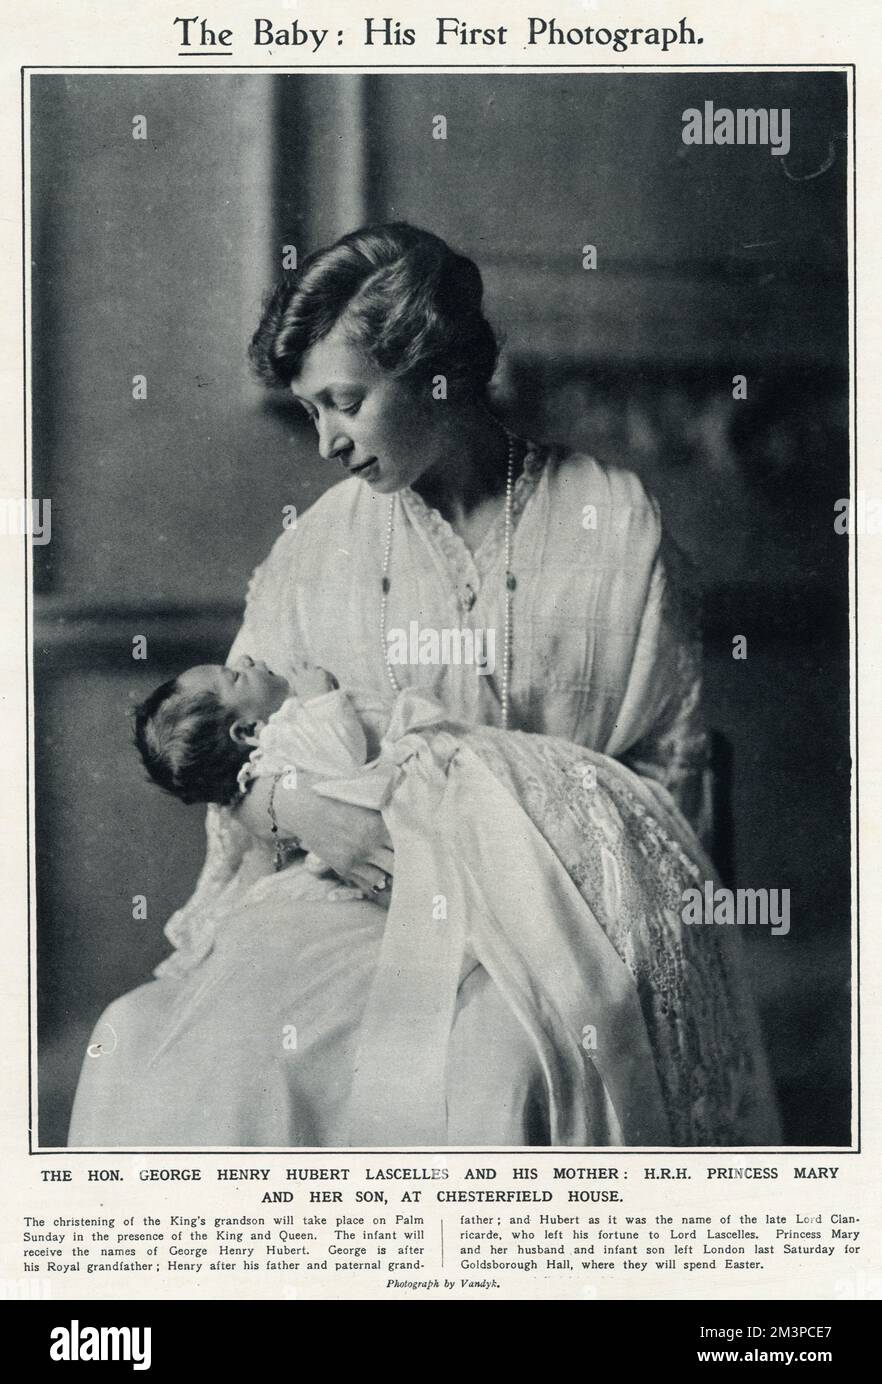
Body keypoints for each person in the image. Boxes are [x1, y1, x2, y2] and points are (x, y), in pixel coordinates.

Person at [68, 221, 782, 1148]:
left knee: (492, 1073)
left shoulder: (612, 521)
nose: (324, 440)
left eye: (344, 402)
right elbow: (239, 767)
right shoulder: (323, 542)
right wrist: (298, 807)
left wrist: (504, 814)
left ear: (433, 369)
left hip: (557, 916)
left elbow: (668, 780)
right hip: (358, 901)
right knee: (156, 1044)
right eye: (311, 411)